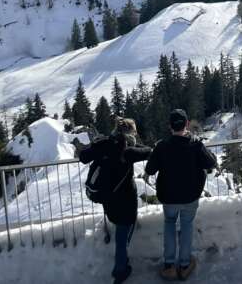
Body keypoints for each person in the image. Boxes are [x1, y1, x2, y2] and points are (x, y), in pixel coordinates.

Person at [144, 108, 218, 281]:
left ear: (170, 126)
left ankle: (169, 265)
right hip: (190, 196)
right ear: (186, 124)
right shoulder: (195, 144)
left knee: (169, 224)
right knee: (186, 226)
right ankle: (184, 265)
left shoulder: (162, 146)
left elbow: (150, 169)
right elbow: (211, 163)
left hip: (168, 197)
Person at [78, 117, 151, 283]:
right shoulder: (128, 151)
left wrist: (100, 144)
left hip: (108, 200)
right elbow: (148, 151)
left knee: (120, 228)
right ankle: (120, 270)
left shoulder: (105, 144)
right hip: (126, 200)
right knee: (123, 233)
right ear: (130, 133)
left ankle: (122, 262)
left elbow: (83, 156)